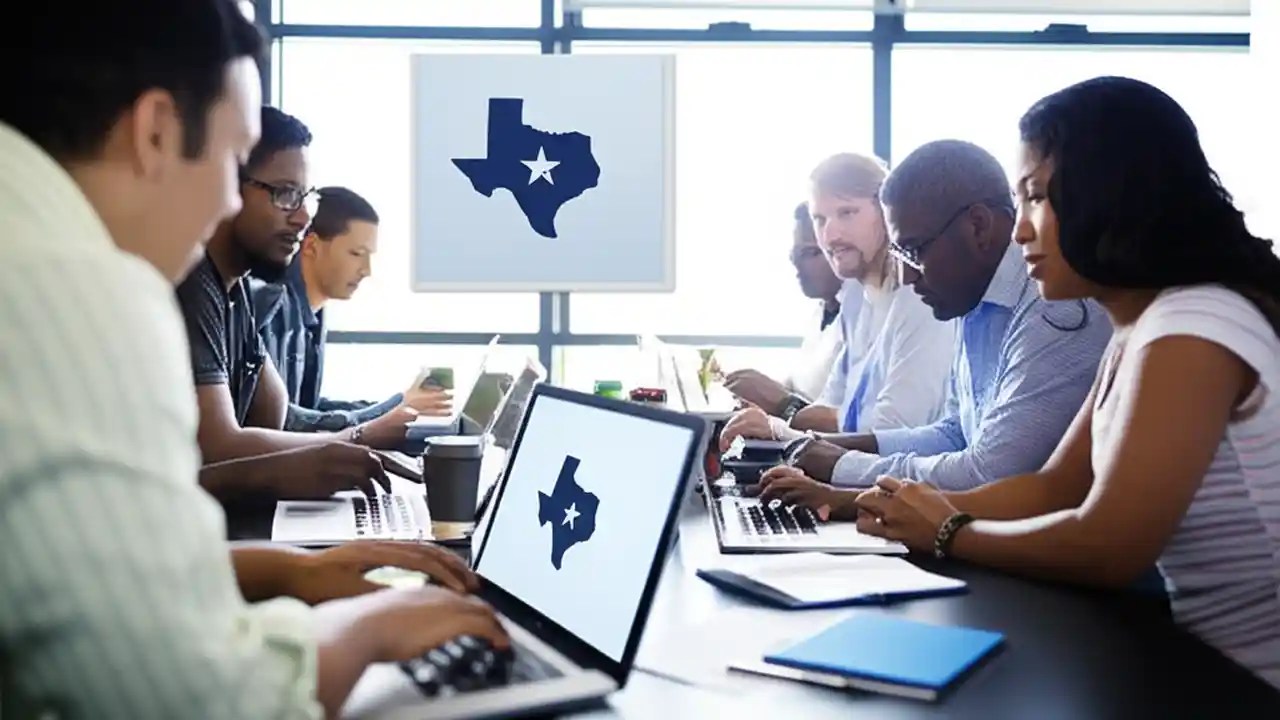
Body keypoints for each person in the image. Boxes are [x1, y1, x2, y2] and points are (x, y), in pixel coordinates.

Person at [0, 3, 507, 718]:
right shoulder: (77, 289)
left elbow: (73, 571)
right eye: (235, 162)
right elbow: (194, 701)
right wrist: (372, 626)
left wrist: (299, 568)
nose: (232, 201)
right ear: (154, 131)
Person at [850, 77, 1280, 689]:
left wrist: (947, 530)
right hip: (1192, 657)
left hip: (1246, 681)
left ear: (1110, 195)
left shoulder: (1192, 327)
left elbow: (1110, 545)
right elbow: (1054, 487)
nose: (1020, 230)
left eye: (1036, 198)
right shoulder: (1140, 326)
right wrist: (908, 510)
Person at [756, 140, 1111, 506]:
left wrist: (842, 469)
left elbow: (989, 472)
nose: (908, 277)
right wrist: (823, 446)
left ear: (978, 227)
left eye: (915, 251)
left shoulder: (1054, 307)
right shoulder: (969, 295)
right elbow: (955, 432)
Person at [176, 106, 415, 476]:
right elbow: (219, 444)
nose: (304, 218)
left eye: (307, 197)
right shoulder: (194, 281)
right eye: (285, 194)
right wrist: (362, 437)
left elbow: (274, 414)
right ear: (227, 183)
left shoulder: (236, 289)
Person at [721, 152, 954, 445]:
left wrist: (783, 412)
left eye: (847, 213)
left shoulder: (921, 298)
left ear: (886, 212)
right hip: (854, 473)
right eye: (820, 219)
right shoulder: (855, 297)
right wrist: (775, 421)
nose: (830, 236)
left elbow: (889, 431)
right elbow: (831, 403)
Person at [250, 185, 451, 433]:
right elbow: (287, 420)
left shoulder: (312, 314)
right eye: (357, 253)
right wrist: (397, 406)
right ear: (311, 246)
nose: (367, 270)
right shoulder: (269, 305)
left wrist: (394, 406)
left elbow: (311, 408)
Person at [723, 201, 848, 416]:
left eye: (809, 253)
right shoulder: (822, 311)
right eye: (794, 254)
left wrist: (783, 403)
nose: (796, 263)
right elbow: (801, 385)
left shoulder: (863, 322)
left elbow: (849, 428)